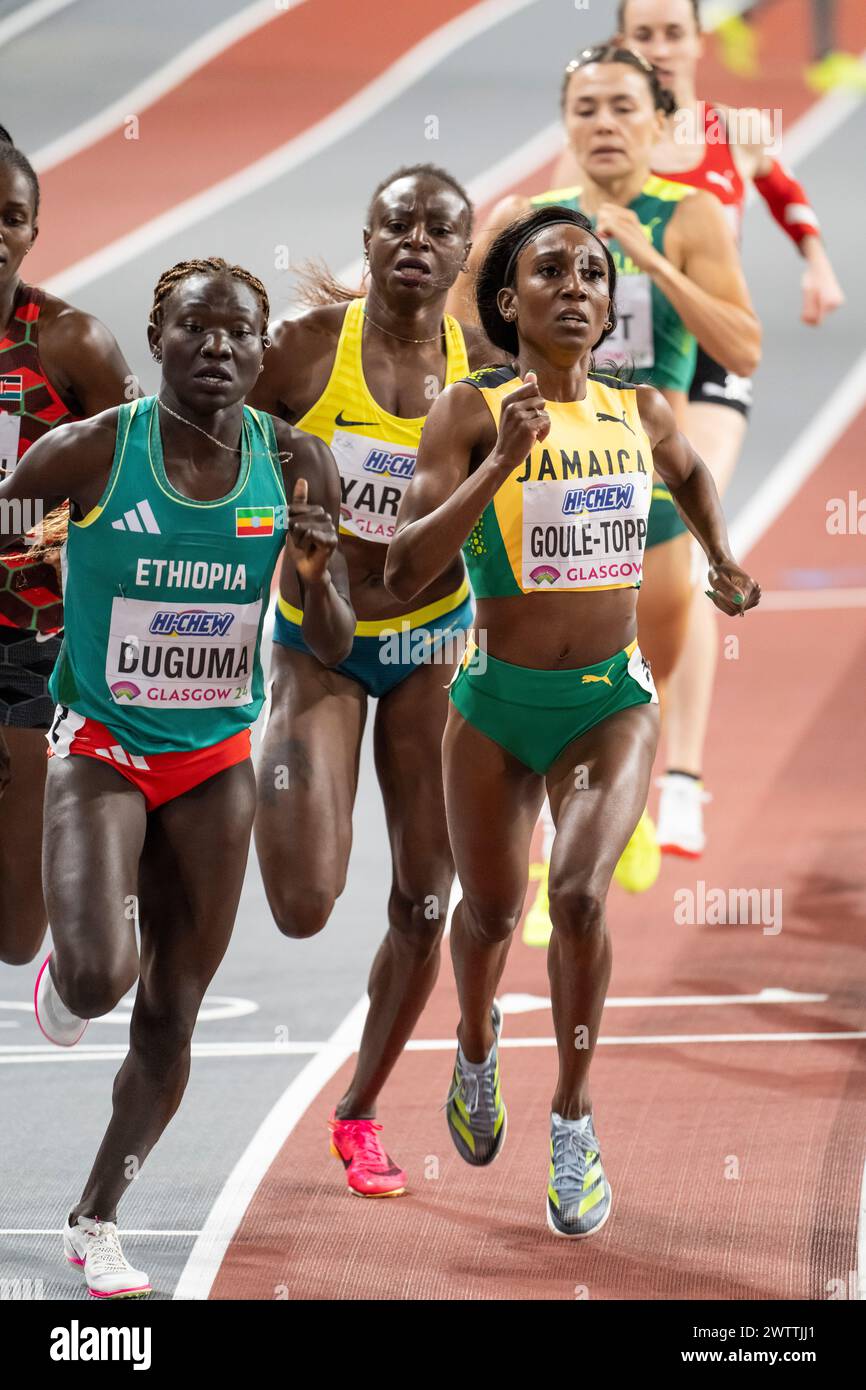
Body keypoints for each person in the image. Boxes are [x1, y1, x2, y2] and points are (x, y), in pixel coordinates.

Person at [386, 205, 760, 1235]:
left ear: (608, 304)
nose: (575, 286)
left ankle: (573, 1119)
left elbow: (687, 471)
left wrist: (718, 557)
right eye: (549, 271)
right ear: (508, 303)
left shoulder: (636, 411)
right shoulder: (468, 410)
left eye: (592, 272)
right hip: (496, 709)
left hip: (607, 707)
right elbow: (403, 564)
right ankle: (471, 1045)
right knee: (492, 917)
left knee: (581, 898)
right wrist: (498, 462)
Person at [4, 256, 353, 1298]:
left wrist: (310, 568)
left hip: (212, 763)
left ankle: (96, 1216)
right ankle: (65, 978)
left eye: (240, 333)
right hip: (105, 748)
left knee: (172, 1008)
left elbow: (330, 637)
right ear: (155, 342)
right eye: (196, 330)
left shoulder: (296, 463)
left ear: (261, 350)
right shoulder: (91, 452)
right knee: (101, 975)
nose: (219, 348)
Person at [449, 44, 760, 918]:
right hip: (537, 453)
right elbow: (453, 334)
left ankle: (644, 788)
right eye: (587, 109)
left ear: (659, 123)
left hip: (639, 460)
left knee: (631, 656)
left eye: (624, 108)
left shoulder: (688, 214)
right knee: (531, 643)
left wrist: (647, 262)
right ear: (566, 122)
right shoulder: (523, 219)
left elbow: (742, 349)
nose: (605, 125)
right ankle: (551, 855)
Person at [249, 163, 508, 1197]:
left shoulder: (486, 368)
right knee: (305, 903)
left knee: (420, 898)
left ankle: (356, 1113)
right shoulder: (307, 349)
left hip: (432, 644)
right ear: (365, 238)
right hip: (318, 640)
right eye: (394, 220)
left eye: (436, 228)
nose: (413, 238)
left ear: (461, 255)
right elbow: (210, 433)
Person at [555, 0, 844, 856]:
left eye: (673, 33)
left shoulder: (732, 127)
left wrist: (818, 262)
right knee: (626, 551)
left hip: (708, 342)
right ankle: (612, 749)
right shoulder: (611, 128)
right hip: (623, 361)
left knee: (681, 515)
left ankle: (681, 777)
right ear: (622, 43)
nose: (660, 48)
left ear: (696, 40)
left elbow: (784, 193)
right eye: (643, 35)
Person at [0, 132, 133, 965]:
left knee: (16, 938)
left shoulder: (69, 344)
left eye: (10, 216)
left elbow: (147, 470)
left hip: (32, 641)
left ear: (34, 230)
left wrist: (63, 531)